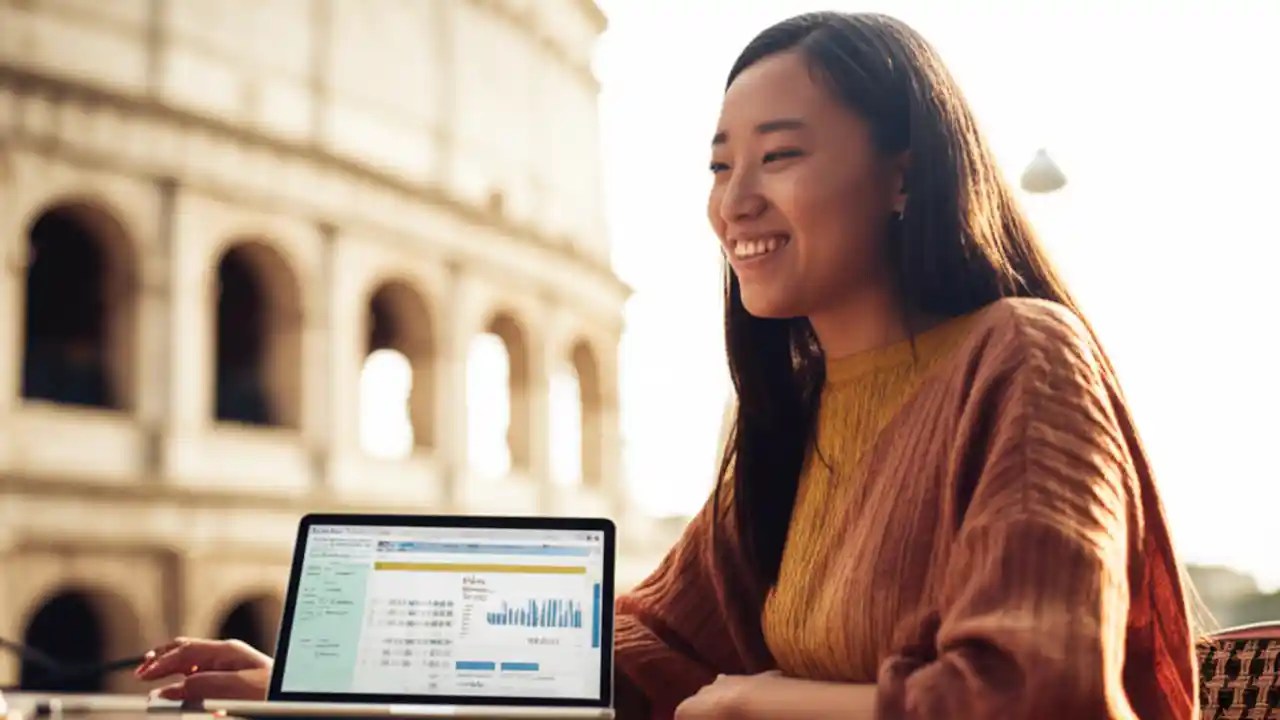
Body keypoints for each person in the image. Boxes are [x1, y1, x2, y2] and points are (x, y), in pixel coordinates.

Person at [135, 11, 1199, 720]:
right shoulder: (799, 412)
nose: (733, 200)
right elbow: (644, 648)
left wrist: (754, 702)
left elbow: (1034, 697)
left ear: (902, 178)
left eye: (778, 155)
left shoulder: (1017, 354)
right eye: (718, 163)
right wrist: (321, 684)